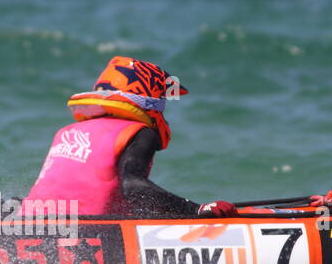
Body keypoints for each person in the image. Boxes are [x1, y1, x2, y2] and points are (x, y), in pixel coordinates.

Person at [24, 57, 237, 218]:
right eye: (163, 98)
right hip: (91, 234)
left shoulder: (66, 132)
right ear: (150, 97)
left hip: (33, 226)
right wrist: (196, 210)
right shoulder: (139, 132)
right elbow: (133, 188)